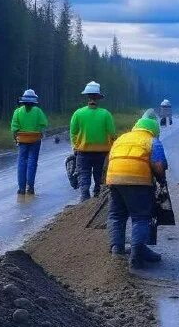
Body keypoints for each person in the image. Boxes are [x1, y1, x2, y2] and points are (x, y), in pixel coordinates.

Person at [106, 109, 168, 274]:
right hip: (138, 180)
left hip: (114, 178)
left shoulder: (122, 138)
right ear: (154, 129)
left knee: (116, 216)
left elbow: (111, 157)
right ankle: (136, 257)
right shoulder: (152, 141)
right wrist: (161, 180)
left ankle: (116, 251)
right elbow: (159, 165)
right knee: (140, 218)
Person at [70, 81, 116, 202]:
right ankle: (97, 195)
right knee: (99, 175)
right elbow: (112, 134)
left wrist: (75, 146)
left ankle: (85, 196)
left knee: (84, 174)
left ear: (87, 96)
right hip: (101, 152)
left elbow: (73, 133)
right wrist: (112, 147)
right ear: (99, 97)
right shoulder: (106, 114)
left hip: (83, 152)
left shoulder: (78, 113)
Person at [11, 89, 48, 195]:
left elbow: (14, 129)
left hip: (22, 140)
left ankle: (21, 188)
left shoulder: (17, 112)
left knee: (21, 163)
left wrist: (15, 139)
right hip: (35, 140)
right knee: (32, 162)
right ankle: (30, 187)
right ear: (33, 101)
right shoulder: (38, 111)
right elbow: (44, 124)